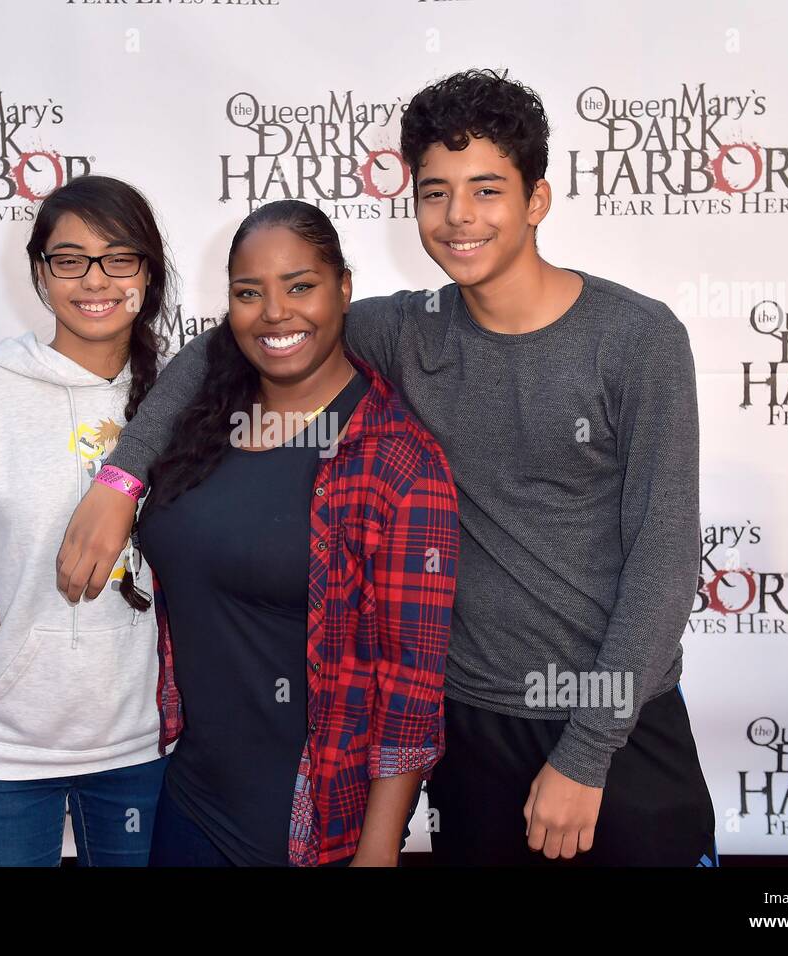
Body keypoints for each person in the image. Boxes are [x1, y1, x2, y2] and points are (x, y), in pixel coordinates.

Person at [0, 67, 719, 867]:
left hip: (613, 724)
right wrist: (118, 484)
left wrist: (586, 752)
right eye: (435, 192)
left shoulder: (637, 340)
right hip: (467, 727)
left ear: (536, 201)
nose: (458, 217)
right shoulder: (409, 330)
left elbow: (665, 557)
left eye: (486, 191)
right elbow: (230, 343)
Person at [138, 200, 459, 866]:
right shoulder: (203, 416)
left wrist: (377, 850)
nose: (275, 312)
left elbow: (412, 687)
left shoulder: (395, 460)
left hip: (302, 834)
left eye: (300, 286)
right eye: (249, 293)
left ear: (344, 288)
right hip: (186, 804)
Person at [0, 175, 174, 866]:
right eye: (69, 259)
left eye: (118, 257)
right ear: (40, 274)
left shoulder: (182, 398)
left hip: (146, 744)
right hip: (3, 749)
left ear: (148, 271)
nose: (94, 280)